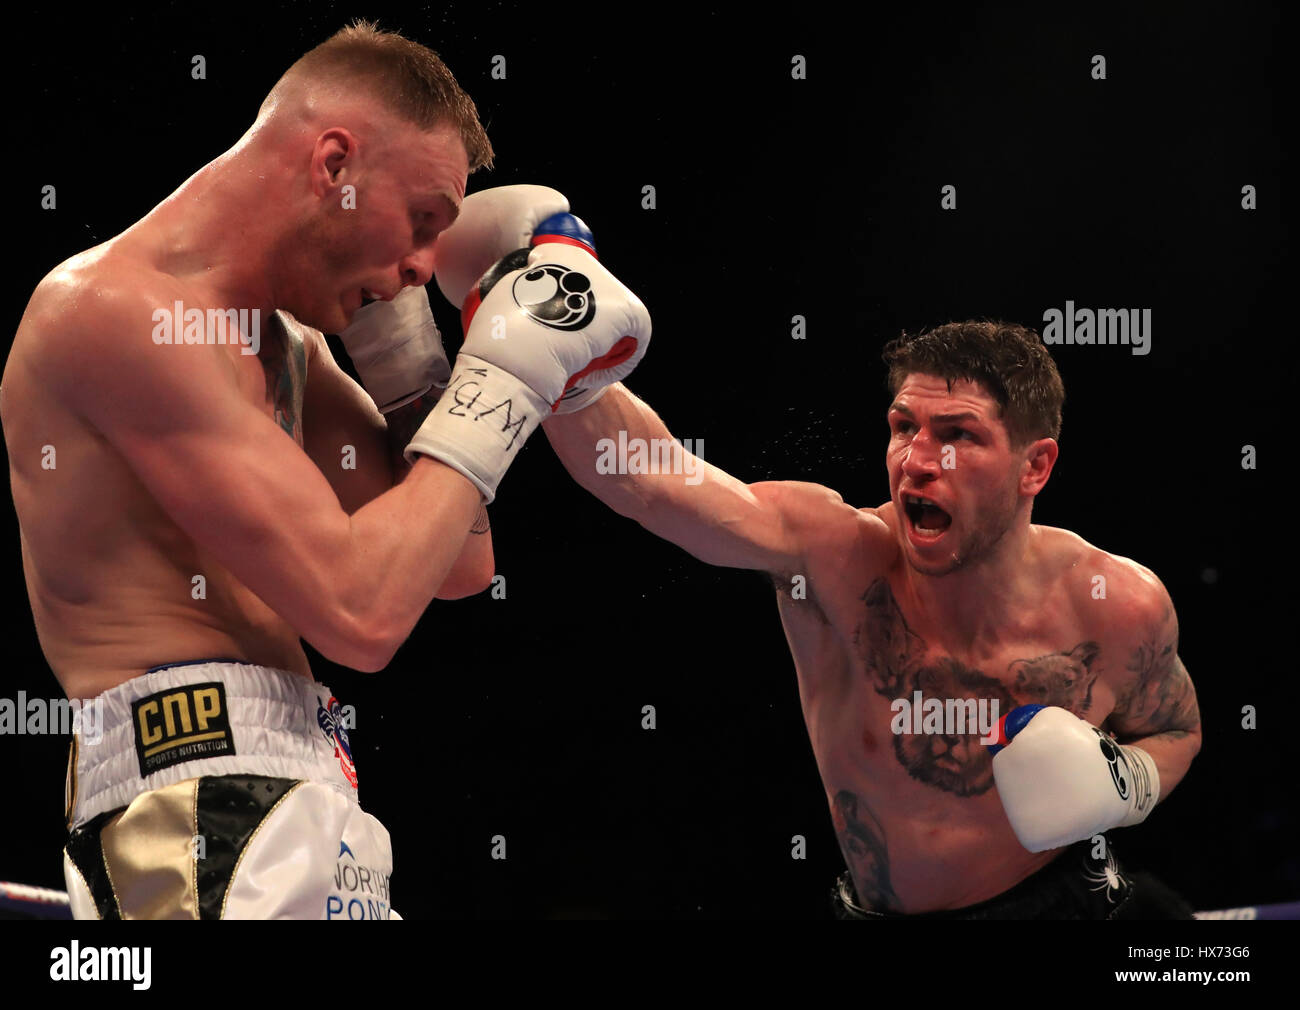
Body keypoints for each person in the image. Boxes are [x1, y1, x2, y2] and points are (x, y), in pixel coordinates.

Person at [1, 21, 649, 919]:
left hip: (306, 784)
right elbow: (362, 612)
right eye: (422, 221)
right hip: (191, 803)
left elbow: (457, 564)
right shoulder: (120, 313)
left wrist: (414, 362)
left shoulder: (289, 340)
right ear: (334, 165)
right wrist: (505, 375)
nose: (425, 264)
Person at [543, 320, 1201, 919]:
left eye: (957, 435)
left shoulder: (1115, 605)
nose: (915, 459)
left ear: (1036, 465)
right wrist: (554, 340)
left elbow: (1177, 730)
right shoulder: (834, 558)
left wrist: (1125, 784)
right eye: (903, 426)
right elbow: (647, 480)